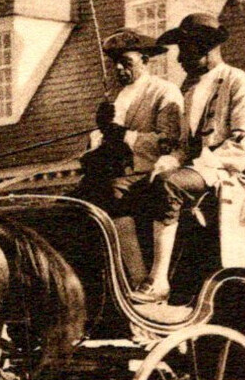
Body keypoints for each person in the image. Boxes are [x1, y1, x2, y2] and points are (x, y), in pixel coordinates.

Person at [131, 6, 245, 304]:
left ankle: (159, 279)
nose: (179, 59)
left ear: (205, 48)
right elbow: (182, 143)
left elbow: (242, 142)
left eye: (185, 50)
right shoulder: (190, 91)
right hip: (199, 171)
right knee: (141, 189)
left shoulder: (240, 83)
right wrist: (169, 160)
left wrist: (198, 165)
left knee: (169, 185)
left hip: (232, 174)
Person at [72, 30, 186, 283]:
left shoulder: (164, 92)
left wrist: (123, 135)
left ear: (145, 61)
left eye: (128, 63)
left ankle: (138, 277)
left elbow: (168, 141)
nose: (121, 69)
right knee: (74, 201)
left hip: (147, 172)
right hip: (114, 169)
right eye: (117, 64)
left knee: (112, 192)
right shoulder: (114, 96)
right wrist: (98, 136)